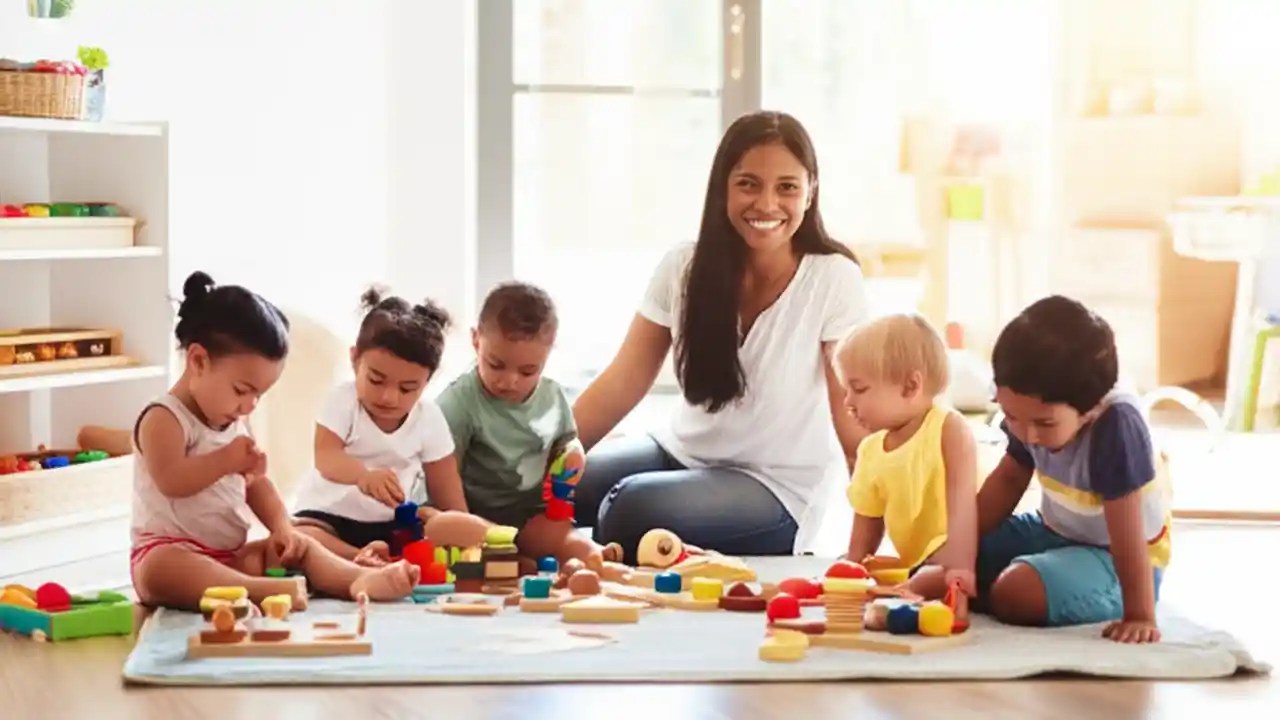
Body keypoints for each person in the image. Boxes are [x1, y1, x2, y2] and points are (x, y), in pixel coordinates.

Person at [571, 110, 871, 562]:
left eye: (786, 187)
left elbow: (851, 410)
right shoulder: (684, 267)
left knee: (630, 509)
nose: (767, 204)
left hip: (772, 487)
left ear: (810, 192)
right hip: (680, 453)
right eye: (748, 183)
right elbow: (623, 380)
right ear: (723, 189)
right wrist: (548, 458)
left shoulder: (834, 279)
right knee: (570, 486)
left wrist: (873, 532)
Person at [130, 272, 420, 612]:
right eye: (242, 390)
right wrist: (226, 460)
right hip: (173, 555)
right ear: (198, 362)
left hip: (232, 558)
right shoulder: (164, 418)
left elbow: (256, 485)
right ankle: (259, 590)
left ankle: (354, 577)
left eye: (259, 395)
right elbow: (171, 480)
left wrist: (281, 527)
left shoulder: (232, 422)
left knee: (302, 543)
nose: (250, 405)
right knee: (159, 570)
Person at [976, 295, 1171, 643]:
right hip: (1055, 533)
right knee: (948, 549)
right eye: (1011, 416)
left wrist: (1139, 615)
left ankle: (995, 589)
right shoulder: (1028, 406)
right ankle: (978, 583)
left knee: (1015, 592)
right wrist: (952, 551)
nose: (1027, 435)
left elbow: (1127, 532)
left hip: (1116, 558)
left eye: (1045, 424)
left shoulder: (1117, 425)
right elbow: (1008, 478)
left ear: (1091, 409)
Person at [292, 288, 490, 565]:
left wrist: (457, 526)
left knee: (444, 523)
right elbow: (326, 457)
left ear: (428, 382)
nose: (389, 397)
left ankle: (504, 546)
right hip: (326, 517)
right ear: (354, 359)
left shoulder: (428, 418)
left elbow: (447, 491)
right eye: (376, 380)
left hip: (391, 524)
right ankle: (359, 558)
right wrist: (363, 476)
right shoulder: (343, 400)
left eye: (408, 388)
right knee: (300, 537)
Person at [436, 282, 623, 565]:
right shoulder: (458, 403)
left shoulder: (551, 396)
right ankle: (509, 559)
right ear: (476, 340)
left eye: (527, 371)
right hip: (474, 515)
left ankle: (592, 557)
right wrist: (467, 529)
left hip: (530, 517)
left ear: (549, 353)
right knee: (453, 531)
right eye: (496, 365)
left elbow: (566, 441)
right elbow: (442, 478)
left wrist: (572, 455)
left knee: (571, 545)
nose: (510, 380)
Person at [836, 314, 978, 621]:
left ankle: (921, 591)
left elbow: (963, 507)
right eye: (846, 390)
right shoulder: (871, 450)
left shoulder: (948, 429)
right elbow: (866, 525)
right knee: (875, 571)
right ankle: (914, 588)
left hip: (964, 553)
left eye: (858, 389)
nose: (847, 401)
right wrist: (851, 569)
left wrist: (957, 568)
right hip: (920, 565)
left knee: (926, 578)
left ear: (910, 386)